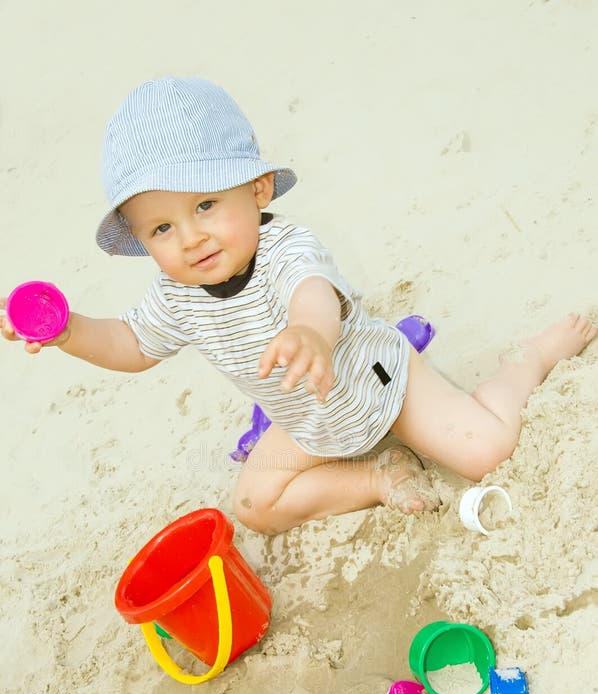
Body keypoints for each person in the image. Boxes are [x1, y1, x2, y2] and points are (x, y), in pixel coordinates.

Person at [2, 77, 595, 535]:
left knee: (485, 451)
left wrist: (311, 335)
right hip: (307, 421)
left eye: (205, 205)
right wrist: (69, 332)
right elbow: (131, 346)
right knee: (256, 505)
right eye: (161, 228)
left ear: (256, 188)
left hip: (378, 384)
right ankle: (376, 475)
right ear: (140, 238)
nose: (190, 238)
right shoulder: (176, 295)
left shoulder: (286, 247)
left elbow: (313, 295)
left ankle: (530, 360)